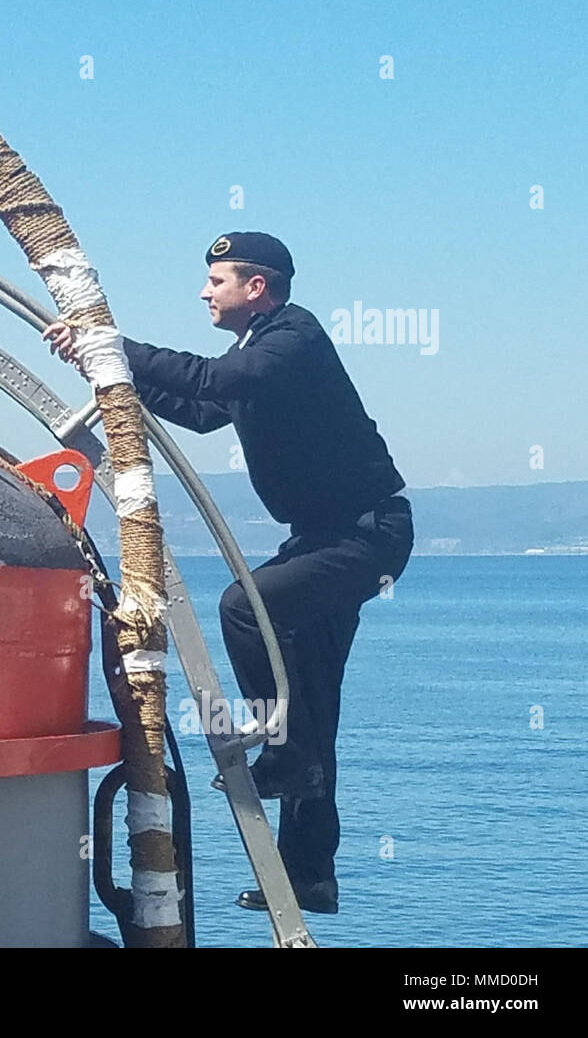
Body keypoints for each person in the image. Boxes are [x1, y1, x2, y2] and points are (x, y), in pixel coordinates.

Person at [43, 232, 413, 915]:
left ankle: (282, 748)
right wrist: (102, 368)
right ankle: (310, 874)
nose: (204, 291)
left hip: (366, 532)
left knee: (246, 608)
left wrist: (112, 342)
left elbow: (212, 383)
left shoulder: (291, 341)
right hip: (327, 536)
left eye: (217, 280)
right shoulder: (256, 353)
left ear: (258, 288)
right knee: (314, 705)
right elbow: (202, 409)